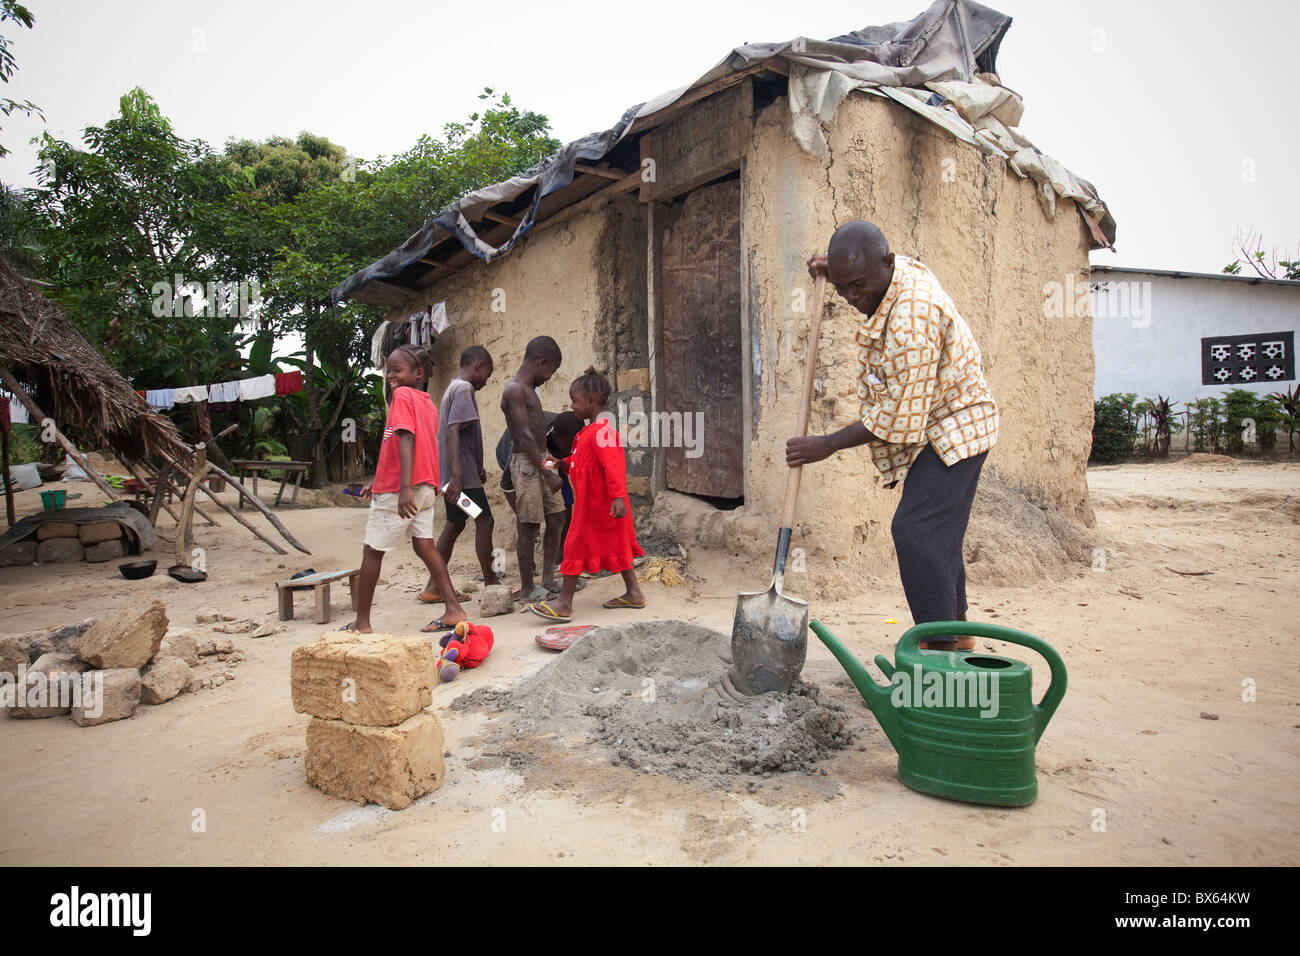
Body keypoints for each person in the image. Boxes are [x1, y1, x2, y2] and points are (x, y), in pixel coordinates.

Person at [785, 220, 998, 651]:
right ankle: (958, 634)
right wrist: (836, 268)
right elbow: (864, 269)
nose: (851, 297)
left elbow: (902, 419)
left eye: (857, 285)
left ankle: (938, 648)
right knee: (941, 533)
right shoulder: (893, 271)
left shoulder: (911, 320)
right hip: (950, 423)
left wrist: (825, 444)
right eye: (843, 288)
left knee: (916, 529)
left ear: (886, 263)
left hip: (959, 426)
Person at [343, 345, 466, 634]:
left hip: (407, 489)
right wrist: (384, 482)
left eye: (396, 370)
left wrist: (402, 488)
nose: (390, 376)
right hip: (425, 487)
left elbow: (407, 439)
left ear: (418, 373)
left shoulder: (401, 396)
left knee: (372, 551)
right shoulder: (427, 403)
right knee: (424, 545)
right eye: (388, 370)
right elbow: (405, 446)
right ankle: (453, 608)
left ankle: (362, 623)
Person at [528, 367, 644, 623]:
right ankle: (634, 593)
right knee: (618, 545)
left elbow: (614, 466)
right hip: (595, 505)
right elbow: (584, 462)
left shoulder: (602, 431)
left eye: (575, 401)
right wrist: (562, 463)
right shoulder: (588, 431)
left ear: (591, 402)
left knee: (574, 546)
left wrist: (617, 497)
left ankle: (564, 603)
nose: (572, 406)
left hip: (601, 505)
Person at [425, 345, 498, 604]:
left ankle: (433, 586)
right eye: (487, 374)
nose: (486, 381)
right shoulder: (464, 389)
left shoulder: (452, 388)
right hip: (461, 479)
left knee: (455, 524)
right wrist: (459, 476)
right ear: (478, 365)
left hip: (455, 476)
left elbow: (460, 434)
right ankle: (491, 580)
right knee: (484, 521)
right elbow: (454, 431)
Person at [500, 335, 566, 603]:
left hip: (540, 459)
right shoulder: (514, 389)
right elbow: (524, 436)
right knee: (528, 526)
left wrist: (548, 463)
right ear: (541, 363)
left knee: (558, 517)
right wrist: (545, 470)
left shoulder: (527, 390)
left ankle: (548, 579)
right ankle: (527, 588)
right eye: (551, 370)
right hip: (527, 463)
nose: (550, 376)